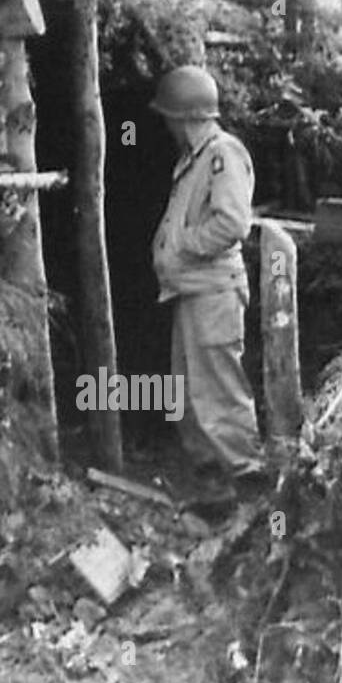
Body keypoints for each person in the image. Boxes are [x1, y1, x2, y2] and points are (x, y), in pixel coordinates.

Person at [149, 65, 265, 505]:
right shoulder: (195, 158)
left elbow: (232, 222)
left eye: (170, 117)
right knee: (188, 387)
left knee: (218, 386)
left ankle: (247, 478)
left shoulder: (223, 154)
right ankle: (213, 483)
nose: (167, 126)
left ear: (184, 116)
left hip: (213, 290)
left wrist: (182, 245)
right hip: (192, 289)